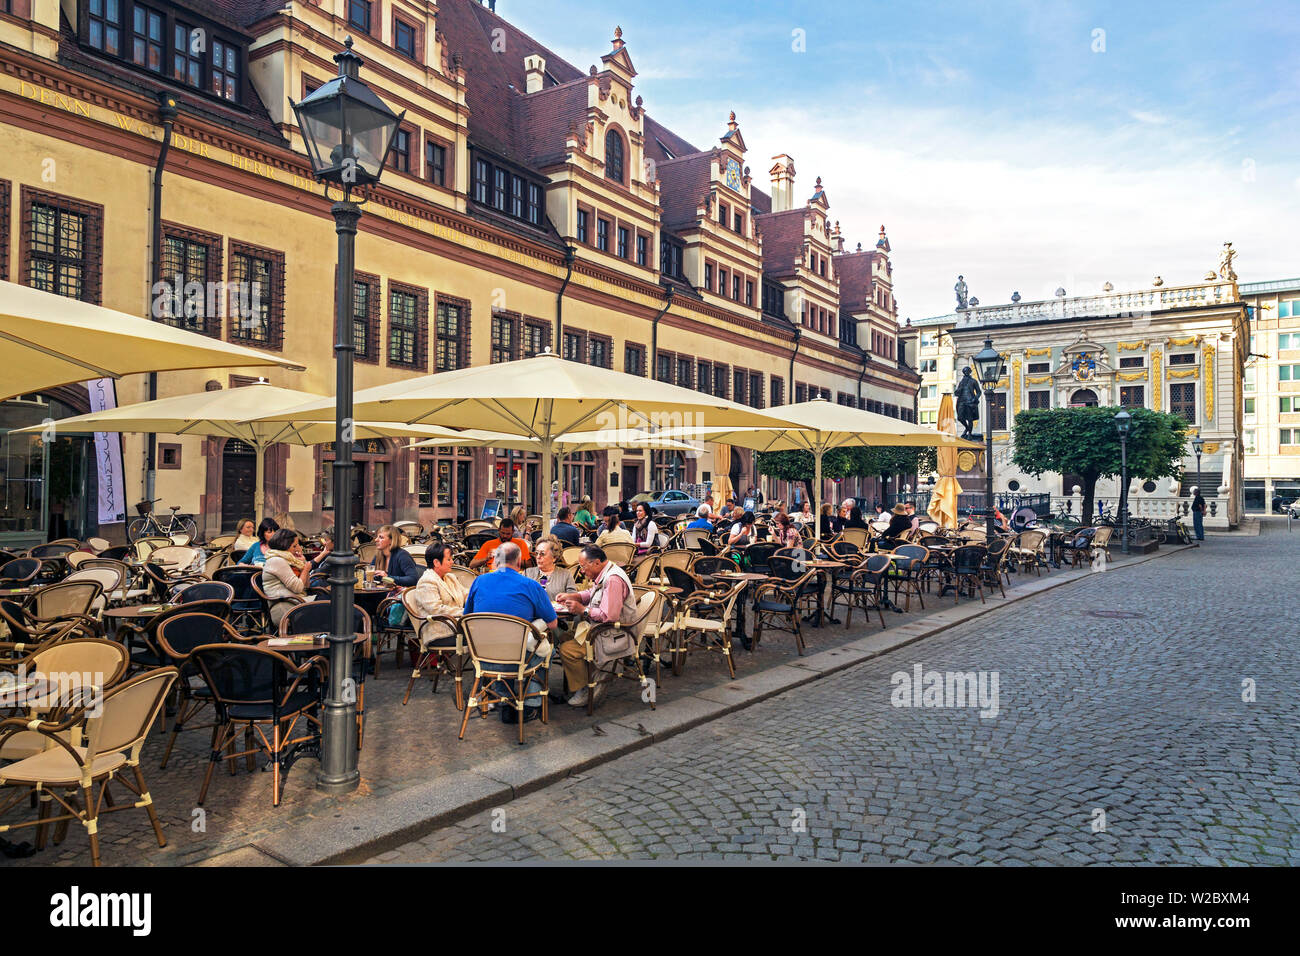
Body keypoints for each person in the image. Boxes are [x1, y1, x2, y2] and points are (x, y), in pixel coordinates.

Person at [463, 542, 556, 714]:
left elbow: (466, 618)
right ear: (519, 562)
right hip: (517, 661)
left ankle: (503, 696)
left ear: (496, 561)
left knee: (498, 641)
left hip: (482, 659)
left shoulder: (478, 581)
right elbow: (553, 624)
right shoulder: (530, 585)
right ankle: (531, 702)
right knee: (548, 650)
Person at [556, 545, 638, 707]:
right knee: (564, 637)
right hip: (602, 630)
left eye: (583, 566)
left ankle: (588, 688)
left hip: (614, 634)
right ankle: (589, 675)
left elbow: (609, 616)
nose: (581, 571)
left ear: (597, 563)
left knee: (568, 649)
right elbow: (593, 593)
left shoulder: (613, 579)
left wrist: (582, 610)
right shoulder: (606, 571)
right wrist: (575, 596)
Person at [260, 528, 311, 628]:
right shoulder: (277, 560)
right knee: (326, 606)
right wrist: (305, 569)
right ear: (285, 545)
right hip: (284, 606)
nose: (298, 549)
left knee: (328, 601)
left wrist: (303, 564)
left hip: (294, 601)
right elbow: (298, 588)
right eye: (294, 546)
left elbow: (306, 585)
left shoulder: (288, 559)